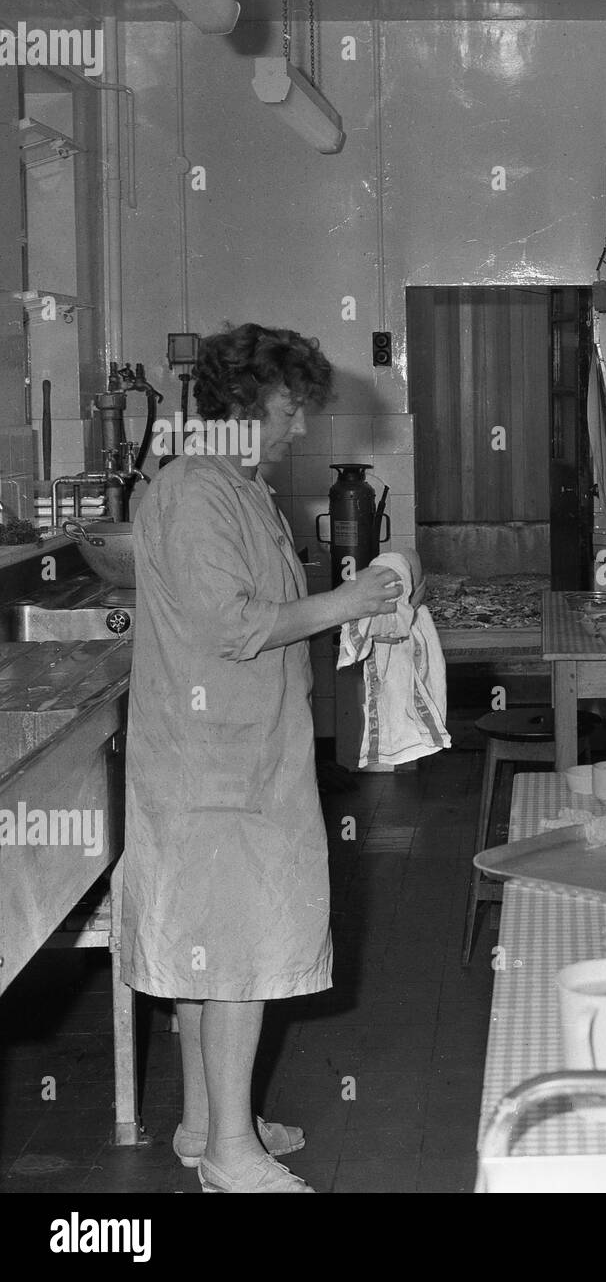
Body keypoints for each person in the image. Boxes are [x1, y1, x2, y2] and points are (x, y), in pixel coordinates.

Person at [119, 323, 403, 1193]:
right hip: (215, 765)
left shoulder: (236, 485)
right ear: (243, 407)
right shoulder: (194, 492)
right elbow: (232, 624)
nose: (297, 430)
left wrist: (347, 607)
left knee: (211, 947)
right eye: (287, 411)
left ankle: (209, 1122)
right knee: (235, 951)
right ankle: (232, 1159)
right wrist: (349, 598)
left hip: (240, 751)